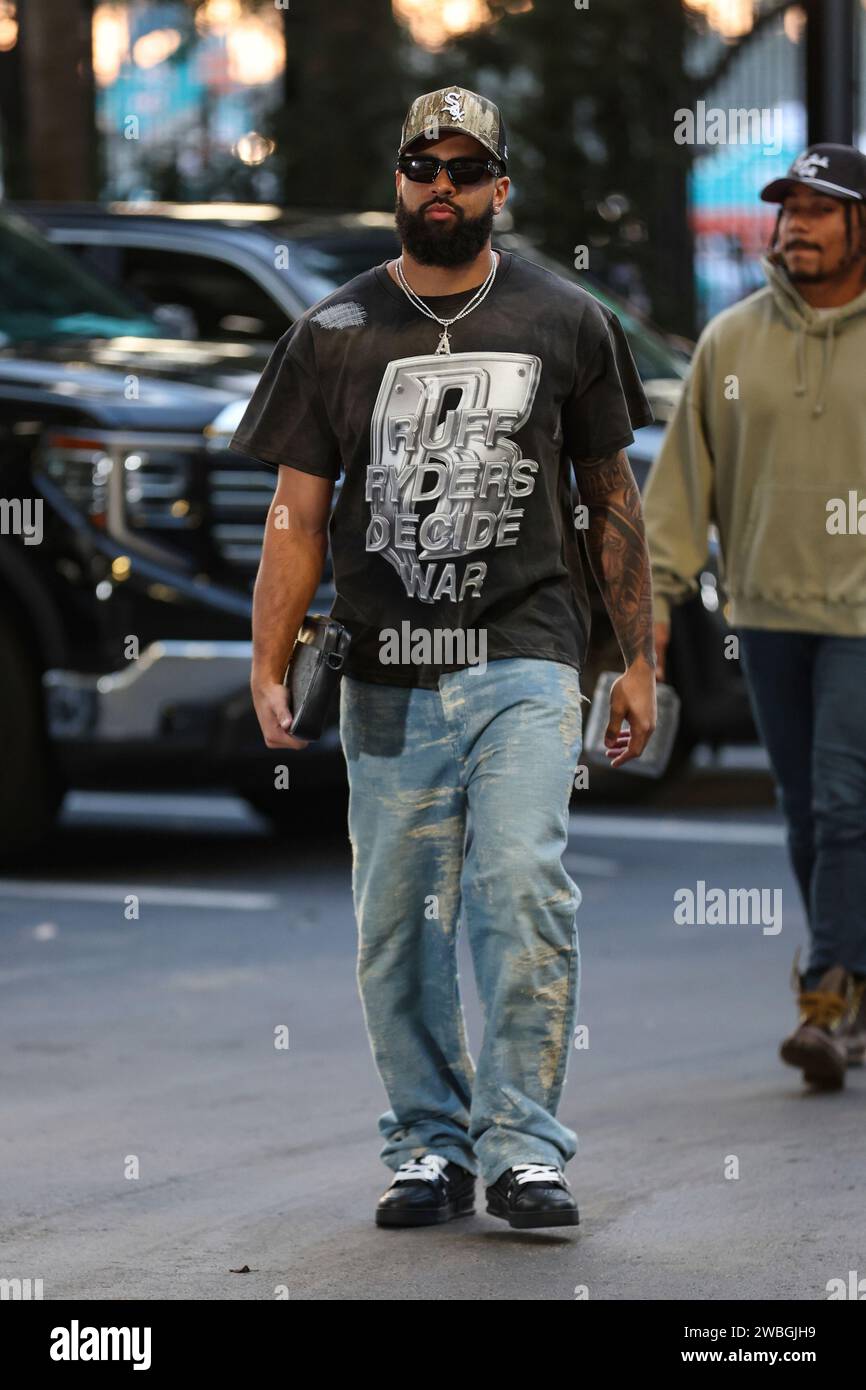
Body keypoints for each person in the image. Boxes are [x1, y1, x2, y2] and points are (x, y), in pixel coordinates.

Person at [230, 86, 656, 1227]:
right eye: (424, 166)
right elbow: (295, 516)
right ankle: (426, 1144)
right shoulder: (331, 333)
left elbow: (609, 498)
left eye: (466, 169)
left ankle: (521, 1146)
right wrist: (268, 659)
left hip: (523, 653)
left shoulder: (567, 321)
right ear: (399, 181)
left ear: (499, 188)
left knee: (520, 887)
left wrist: (637, 658)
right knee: (397, 920)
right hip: (383, 672)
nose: (443, 186)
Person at [642, 144, 866, 1091]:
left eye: (820, 210)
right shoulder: (731, 343)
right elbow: (682, 488)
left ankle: (826, 995)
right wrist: (650, 610)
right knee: (808, 816)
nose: (795, 226)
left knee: (842, 800)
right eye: (788, 209)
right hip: (768, 613)